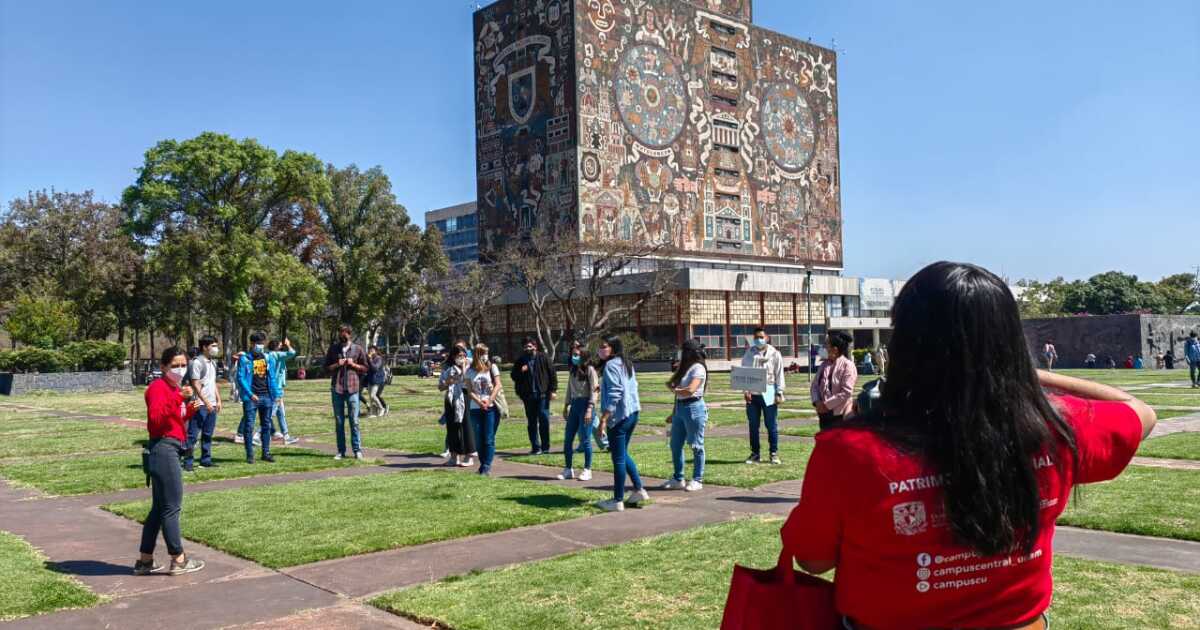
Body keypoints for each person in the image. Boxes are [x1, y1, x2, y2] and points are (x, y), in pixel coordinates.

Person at [780, 261, 1156, 629]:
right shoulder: (1055, 429)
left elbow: (813, 560)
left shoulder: (849, 452)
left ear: (906, 344)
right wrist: (1023, 374)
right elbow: (1139, 411)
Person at [133, 346, 206, 576]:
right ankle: (178, 559)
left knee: (158, 509)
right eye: (175, 365)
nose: (180, 369)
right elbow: (155, 418)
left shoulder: (175, 388)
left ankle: (145, 561)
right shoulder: (158, 387)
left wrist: (190, 410)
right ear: (163, 366)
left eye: (183, 365)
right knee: (171, 507)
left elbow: (173, 418)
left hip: (168, 447)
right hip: (164, 449)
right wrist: (178, 398)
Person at [596, 335, 649, 512]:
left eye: (604, 346)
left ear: (613, 348)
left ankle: (617, 500)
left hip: (619, 417)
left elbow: (616, 393)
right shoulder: (626, 363)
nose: (600, 350)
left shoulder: (611, 365)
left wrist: (604, 419)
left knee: (618, 458)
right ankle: (639, 490)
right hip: (632, 413)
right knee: (623, 454)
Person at [662, 339, 707, 492]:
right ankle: (678, 478)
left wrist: (674, 389)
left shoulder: (698, 368)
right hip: (681, 408)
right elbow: (679, 393)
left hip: (694, 408)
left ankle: (697, 479)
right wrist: (673, 412)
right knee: (675, 445)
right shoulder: (685, 367)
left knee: (696, 445)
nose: (681, 354)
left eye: (683, 351)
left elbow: (690, 390)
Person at [741, 327, 786, 465]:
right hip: (753, 393)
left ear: (767, 338)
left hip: (769, 392)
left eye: (761, 337)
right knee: (753, 425)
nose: (758, 340)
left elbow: (779, 374)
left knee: (771, 425)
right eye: (756, 338)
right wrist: (745, 391)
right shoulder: (749, 353)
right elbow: (744, 373)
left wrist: (779, 392)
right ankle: (755, 454)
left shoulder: (775, 354)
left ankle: (773, 453)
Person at [236, 332, 282, 464]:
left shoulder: (268, 358)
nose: (260, 346)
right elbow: (241, 378)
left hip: (267, 396)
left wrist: (276, 394)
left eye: (262, 343)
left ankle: (266, 453)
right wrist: (250, 394)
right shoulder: (245, 359)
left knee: (266, 425)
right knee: (249, 426)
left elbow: (272, 377)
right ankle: (250, 455)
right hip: (251, 398)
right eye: (258, 343)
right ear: (252, 344)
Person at [326, 325, 369, 460]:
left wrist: (353, 364)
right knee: (339, 422)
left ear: (350, 334)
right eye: (340, 333)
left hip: (353, 388)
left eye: (344, 333)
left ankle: (357, 450)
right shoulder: (333, 349)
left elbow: (366, 368)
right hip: (337, 388)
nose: (342, 335)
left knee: (354, 421)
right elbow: (326, 367)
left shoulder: (358, 349)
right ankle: (341, 451)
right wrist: (337, 364)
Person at [511, 338, 558, 455]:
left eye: (530, 346)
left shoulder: (543, 358)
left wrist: (553, 390)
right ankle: (535, 447)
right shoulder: (521, 360)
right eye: (525, 347)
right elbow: (513, 376)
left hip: (542, 395)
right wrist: (521, 371)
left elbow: (552, 374)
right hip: (528, 396)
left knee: (544, 419)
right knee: (531, 422)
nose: (528, 349)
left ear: (535, 346)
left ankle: (545, 447)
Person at [558, 345, 598, 481]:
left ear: (583, 355)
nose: (573, 357)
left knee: (585, 439)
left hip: (586, 405)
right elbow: (569, 389)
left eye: (576, 355)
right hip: (574, 405)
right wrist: (566, 406)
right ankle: (568, 469)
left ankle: (587, 469)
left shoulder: (590, 370)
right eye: (573, 354)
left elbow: (595, 390)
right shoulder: (573, 370)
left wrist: (590, 408)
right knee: (568, 438)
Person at [184, 335, 222, 471]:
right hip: (199, 404)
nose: (216, 348)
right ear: (205, 347)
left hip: (211, 404)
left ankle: (206, 460)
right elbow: (195, 384)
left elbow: (213, 383)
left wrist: (218, 400)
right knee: (193, 435)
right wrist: (205, 402)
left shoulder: (213, 363)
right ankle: (188, 462)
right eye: (213, 346)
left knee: (208, 434)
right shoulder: (197, 362)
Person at [466, 343, 503, 476]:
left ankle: (486, 465)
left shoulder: (492, 367)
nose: (485, 356)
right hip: (475, 408)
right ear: (476, 355)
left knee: (488, 438)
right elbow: (469, 391)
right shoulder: (470, 371)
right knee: (478, 438)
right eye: (482, 353)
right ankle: (482, 464)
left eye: (486, 353)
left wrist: (489, 400)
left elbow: (498, 385)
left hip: (490, 408)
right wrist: (479, 402)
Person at [810, 331, 858, 431]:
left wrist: (827, 405)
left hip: (839, 416)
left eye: (826, 344)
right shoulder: (824, 364)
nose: (823, 348)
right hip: (823, 415)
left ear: (835, 349)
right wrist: (817, 402)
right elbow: (814, 385)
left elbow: (846, 392)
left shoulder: (847, 365)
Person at [439, 346, 475, 468]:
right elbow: (440, 387)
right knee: (452, 428)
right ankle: (454, 456)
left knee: (466, 426)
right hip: (451, 399)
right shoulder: (448, 369)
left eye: (464, 356)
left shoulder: (470, 367)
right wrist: (448, 382)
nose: (462, 358)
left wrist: (464, 368)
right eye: (459, 356)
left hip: (465, 397)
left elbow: (468, 382)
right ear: (453, 357)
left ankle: (469, 456)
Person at [266, 338, 299, 444]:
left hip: (271, 387)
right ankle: (258, 434)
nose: (281, 348)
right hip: (277, 389)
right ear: (276, 347)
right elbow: (292, 353)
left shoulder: (267, 355)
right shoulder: (277, 355)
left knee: (280, 413)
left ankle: (286, 436)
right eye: (280, 346)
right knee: (270, 414)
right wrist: (288, 344)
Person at [365, 345, 390, 417]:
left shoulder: (378, 358)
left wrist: (369, 360)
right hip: (370, 379)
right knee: (371, 398)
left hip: (377, 380)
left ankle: (382, 408)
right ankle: (374, 413)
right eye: (369, 350)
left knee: (373, 396)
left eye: (372, 350)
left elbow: (375, 368)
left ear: (376, 351)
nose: (370, 351)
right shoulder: (369, 359)